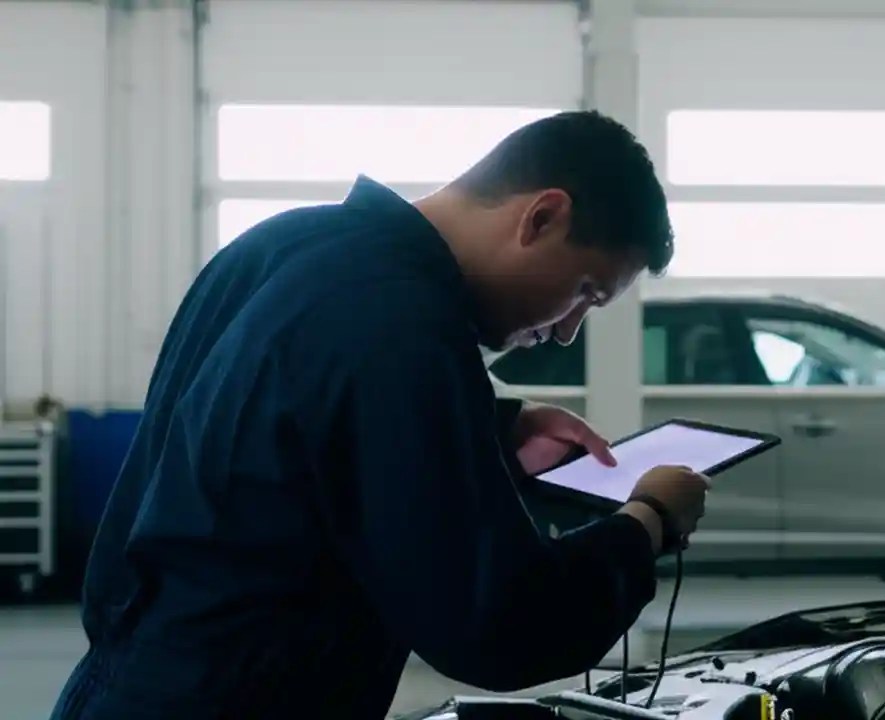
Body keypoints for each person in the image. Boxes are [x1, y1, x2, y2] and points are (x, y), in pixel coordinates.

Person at [51, 111, 710, 720]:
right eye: (585, 293)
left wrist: (493, 419)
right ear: (540, 218)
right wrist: (645, 522)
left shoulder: (288, 243)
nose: (567, 331)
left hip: (126, 684)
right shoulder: (404, 325)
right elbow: (496, 624)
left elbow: (277, 418)